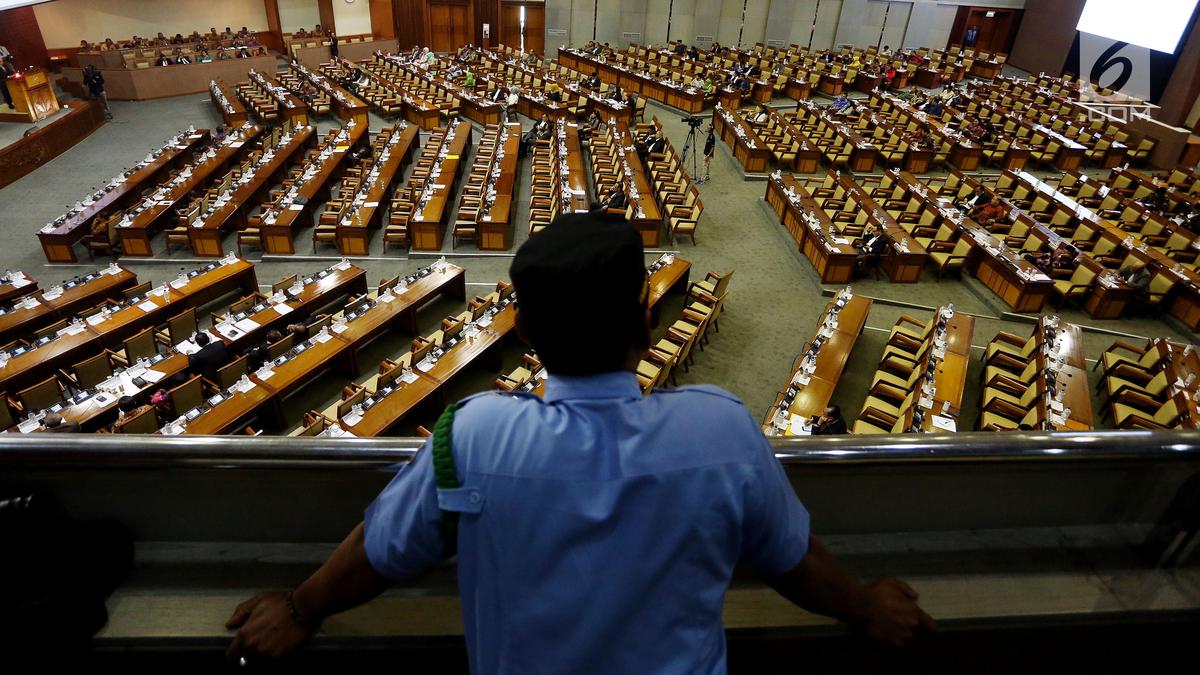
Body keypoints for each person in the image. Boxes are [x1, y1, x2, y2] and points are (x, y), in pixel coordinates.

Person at [225, 213, 934, 668]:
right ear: (647, 321)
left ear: (527, 336)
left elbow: (380, 550)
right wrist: (864, 605)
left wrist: (299, 607)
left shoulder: (473, 433)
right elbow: (793, 557)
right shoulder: (720, 427)